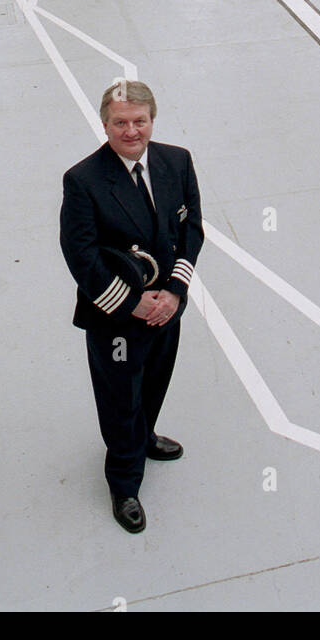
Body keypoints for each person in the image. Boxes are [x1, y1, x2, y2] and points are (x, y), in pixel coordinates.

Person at [60, 80, 204, 533]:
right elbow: (79, 254)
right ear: (104, 125)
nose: (131, 131)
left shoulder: (176, 162)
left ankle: (145, 437)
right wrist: (132, 304)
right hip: (116, 318)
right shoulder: (83, 180)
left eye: (139, 121)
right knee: (120, 397)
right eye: (120, 123)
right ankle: (123, 483)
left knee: (156, 381)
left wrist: (175, 293)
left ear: (152, 121)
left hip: (166, 308)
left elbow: (191, 230)